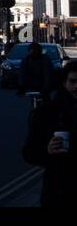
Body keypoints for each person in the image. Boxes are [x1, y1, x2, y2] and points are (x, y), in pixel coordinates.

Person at [22, 59, 77, 207]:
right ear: (64, 83)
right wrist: (47, 150)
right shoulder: (46, 112)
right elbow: (29, 153)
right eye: (73, 81)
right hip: (59, 192)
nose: (76, 86)